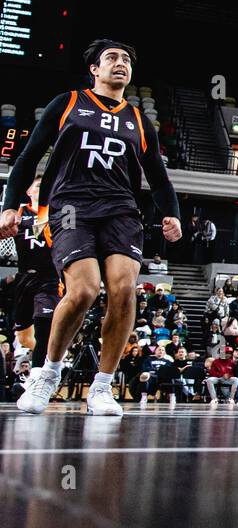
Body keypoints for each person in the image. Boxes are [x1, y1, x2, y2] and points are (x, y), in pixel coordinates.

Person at [0, 40, 182, 417]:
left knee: (123, 288)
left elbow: (159, 178)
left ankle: (102, 386)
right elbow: (28, 156)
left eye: (126, 60)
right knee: (83, 290)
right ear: (95, 70)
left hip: (121, 210)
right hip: (69, 206)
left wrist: (172, 213)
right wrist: (10, 206)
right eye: (112, 58)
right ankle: (47, 373)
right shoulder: (67, 103)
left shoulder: (138, 119)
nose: (121, 64)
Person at [7, 176, 61, 376]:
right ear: (29, 192)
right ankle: (44, 355)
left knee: (44, 323)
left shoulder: (62, 212)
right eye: (38, 185)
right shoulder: (19, 212)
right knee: (24, 338)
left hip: (49, 278)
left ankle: (38, 374)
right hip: (24, 277)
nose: (43, 188)